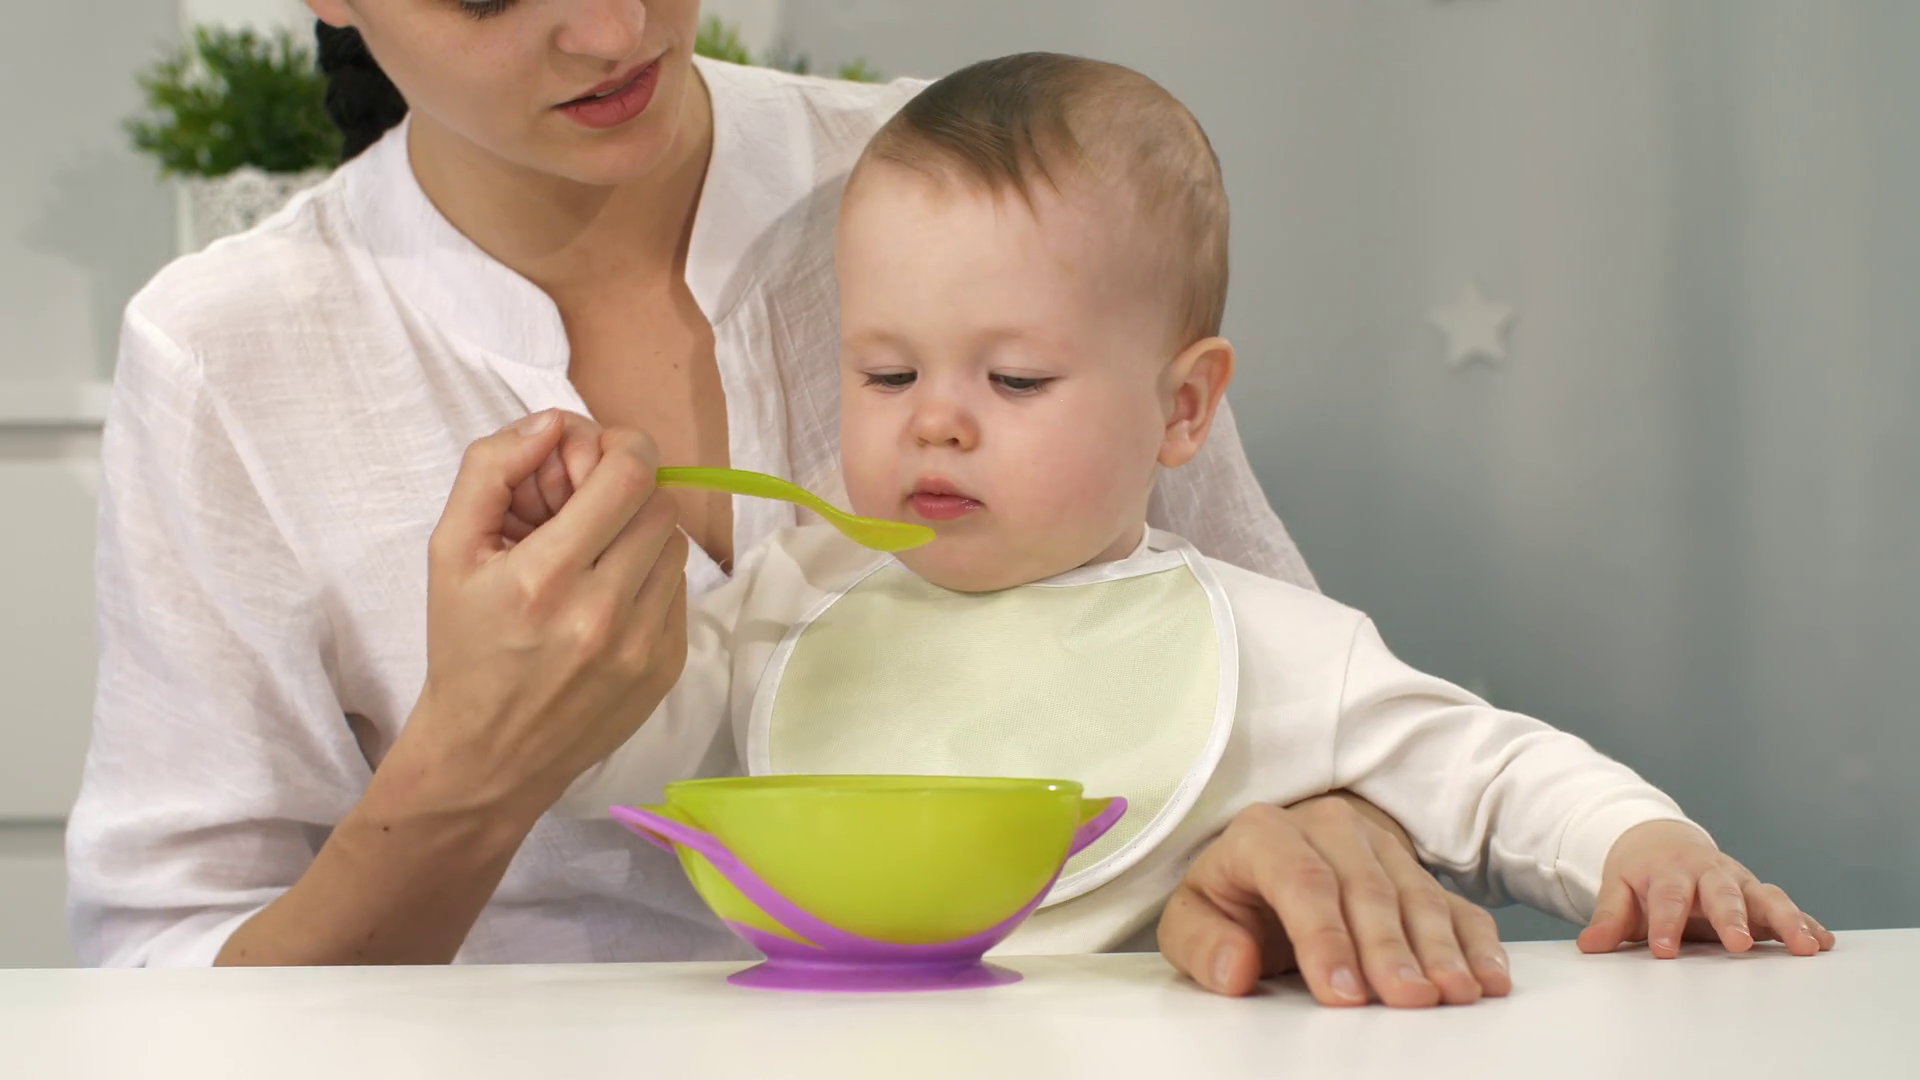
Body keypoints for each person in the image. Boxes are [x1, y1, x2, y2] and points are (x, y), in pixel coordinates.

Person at [63, 2, 1503, 1004]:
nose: (615, 27)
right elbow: (160, 1003)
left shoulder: (976, 191)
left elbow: (1272, 669)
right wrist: (467, 780)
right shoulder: (229, 354)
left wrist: (1298, 838)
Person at [559, 52, 1835, 1003]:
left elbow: (1490, 773)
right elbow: (609, 758)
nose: (935, 424)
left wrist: (1647, 842)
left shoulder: (1264, 643)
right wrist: (593, 598)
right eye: (886, 375)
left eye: (1012, 383)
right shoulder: (797, 591)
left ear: (1182, 408)